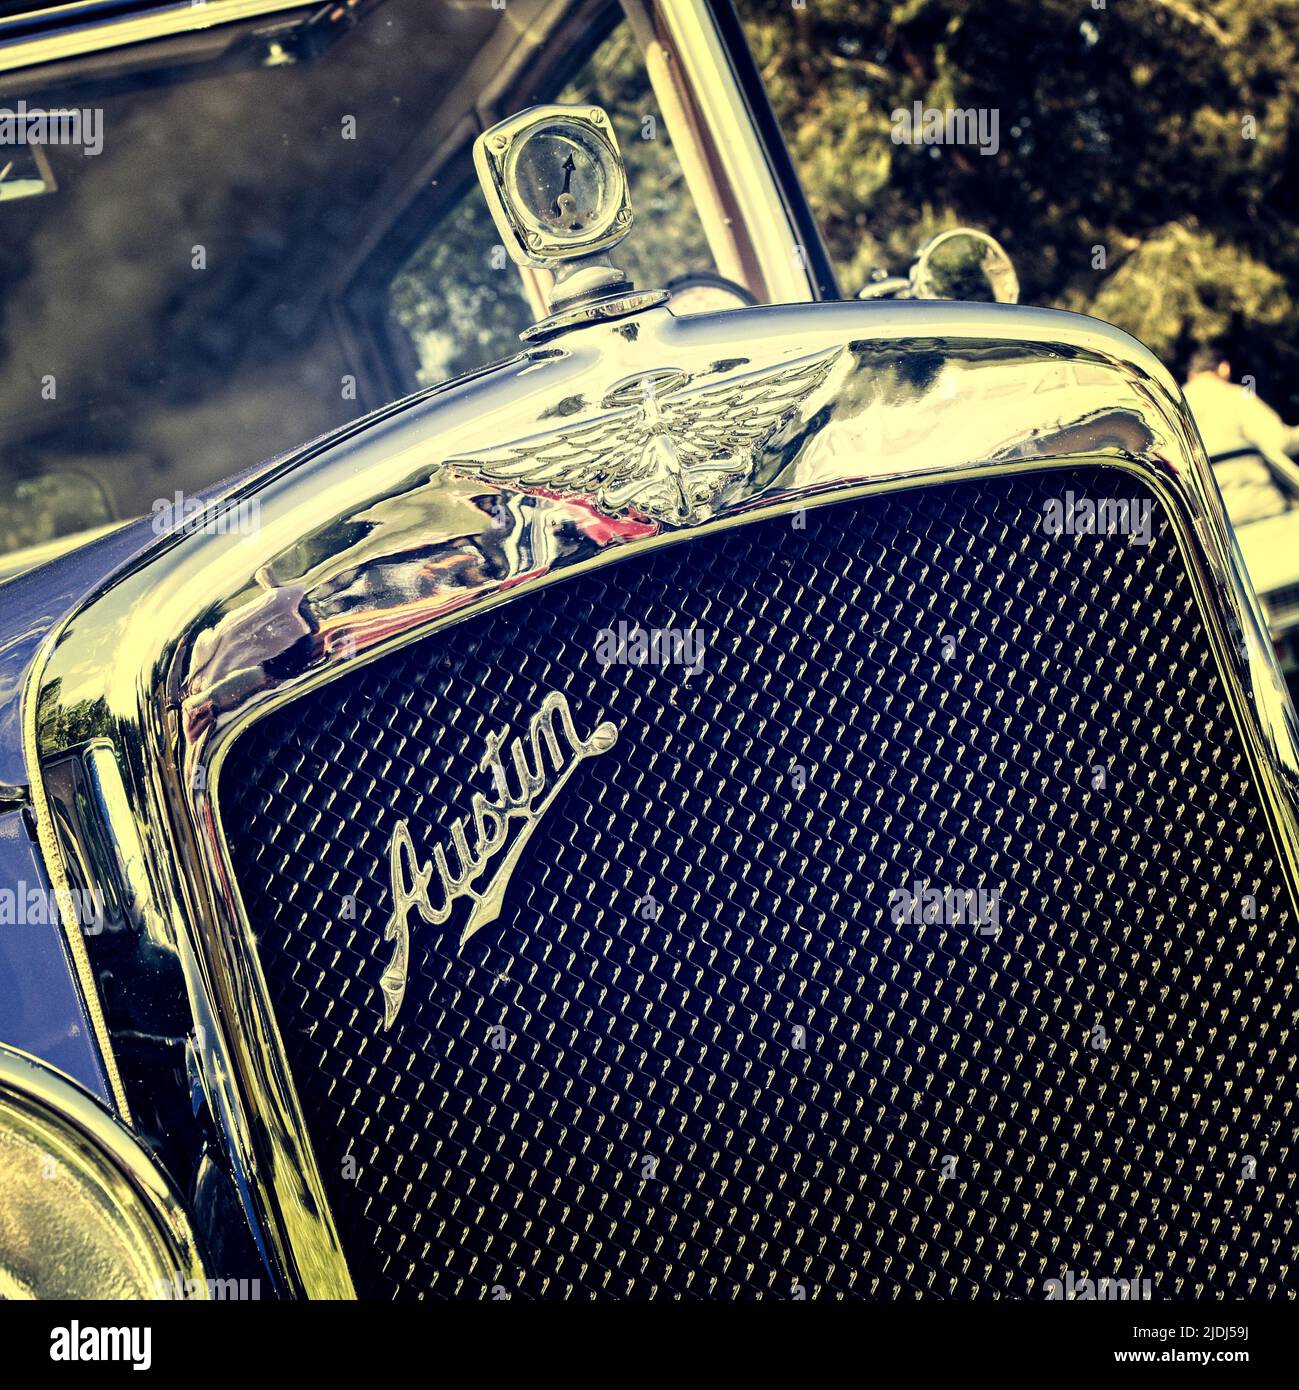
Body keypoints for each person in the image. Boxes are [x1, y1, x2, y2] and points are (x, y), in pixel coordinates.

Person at [1183, 348, 1299, 524]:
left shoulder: (1172, 408)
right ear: (1224, 368)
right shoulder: (1237, 395)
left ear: (1191, 375)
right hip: (1259, 505)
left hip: (1209, 524)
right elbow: (1278, 441)